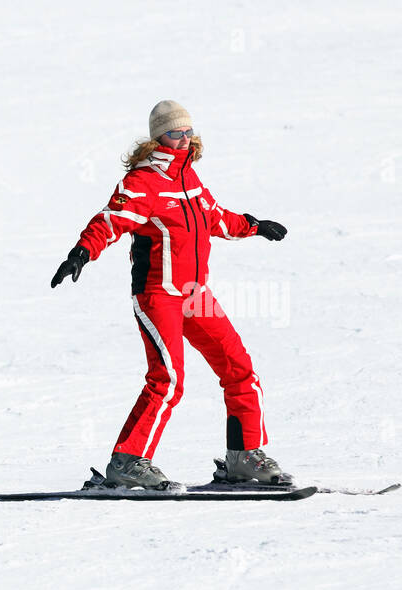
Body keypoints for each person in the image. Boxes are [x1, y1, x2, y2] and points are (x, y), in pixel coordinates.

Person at [50, 100, 290, 489]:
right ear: (158, 136)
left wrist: (254, 225)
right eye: (175, 132)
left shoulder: (189, 179)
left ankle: (243, 456)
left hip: (195, 293)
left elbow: (215, 218)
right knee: (168, 379)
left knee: (239, 368)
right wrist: (82, 252)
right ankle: (128, 462)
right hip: (158, 294)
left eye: (188, 131)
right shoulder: (142, 182)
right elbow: (110, 221)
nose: (184, 138)